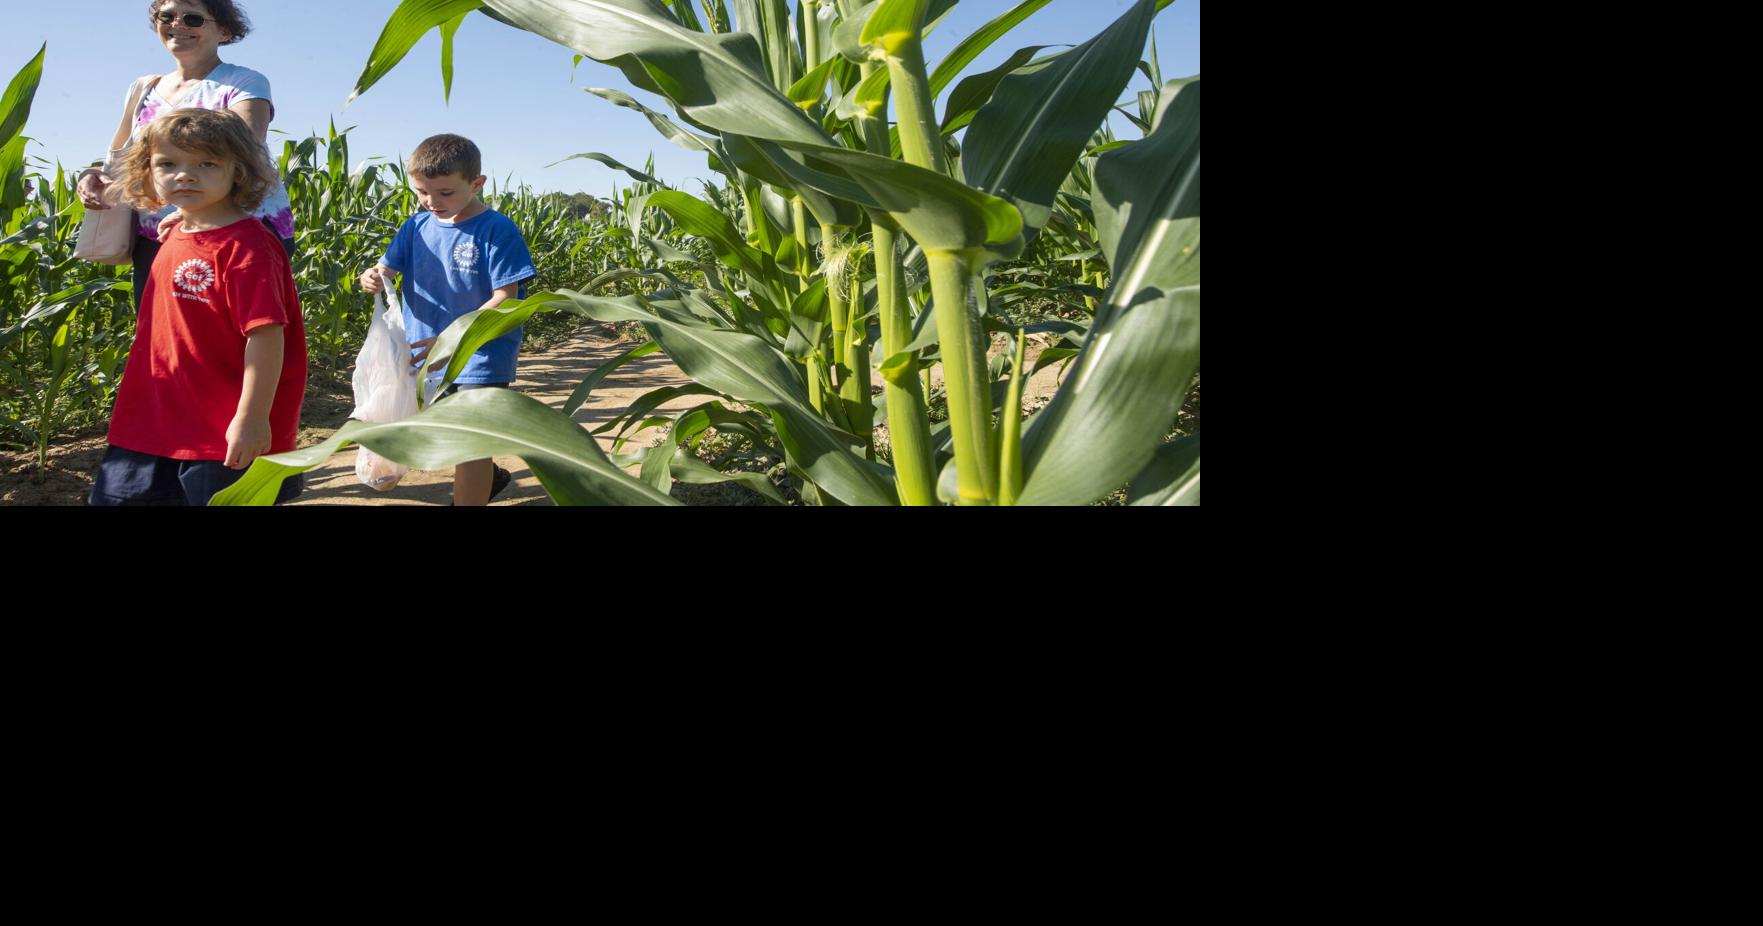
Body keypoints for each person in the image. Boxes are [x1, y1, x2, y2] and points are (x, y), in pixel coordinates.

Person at [87, 108, 307, 506]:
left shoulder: (247, 247)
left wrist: (253, 418)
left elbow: (266, 335)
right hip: (152, 419)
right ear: (147, 171)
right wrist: (180, 221)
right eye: (167, 164)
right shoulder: (175, 230)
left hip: (221, 430)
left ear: (238, 172)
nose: (184, 175)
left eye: (206, 163)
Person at [75, 0, 295, 310]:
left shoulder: (245, 82)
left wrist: (194, 211)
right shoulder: (143, 88)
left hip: (235, 229)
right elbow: (125, 156)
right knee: (163, 334)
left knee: (230, 336)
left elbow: (246, 149)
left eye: (192, 19)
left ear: (224, 30)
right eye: (167, 16)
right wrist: (92, 175)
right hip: (159, 234)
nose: (177, 24)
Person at [359, 134, 535, 506]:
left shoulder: (496, 230)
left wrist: (453, 338)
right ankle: (489, 480)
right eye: (422, 192)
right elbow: (386, 269)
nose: (432, 202)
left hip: (480, 353)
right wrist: (372, 277)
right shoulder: (416, 227)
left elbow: (506, 297)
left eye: (444, 193)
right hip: (425, 356)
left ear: (476, 183)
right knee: (445, 434)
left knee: (471, 440)